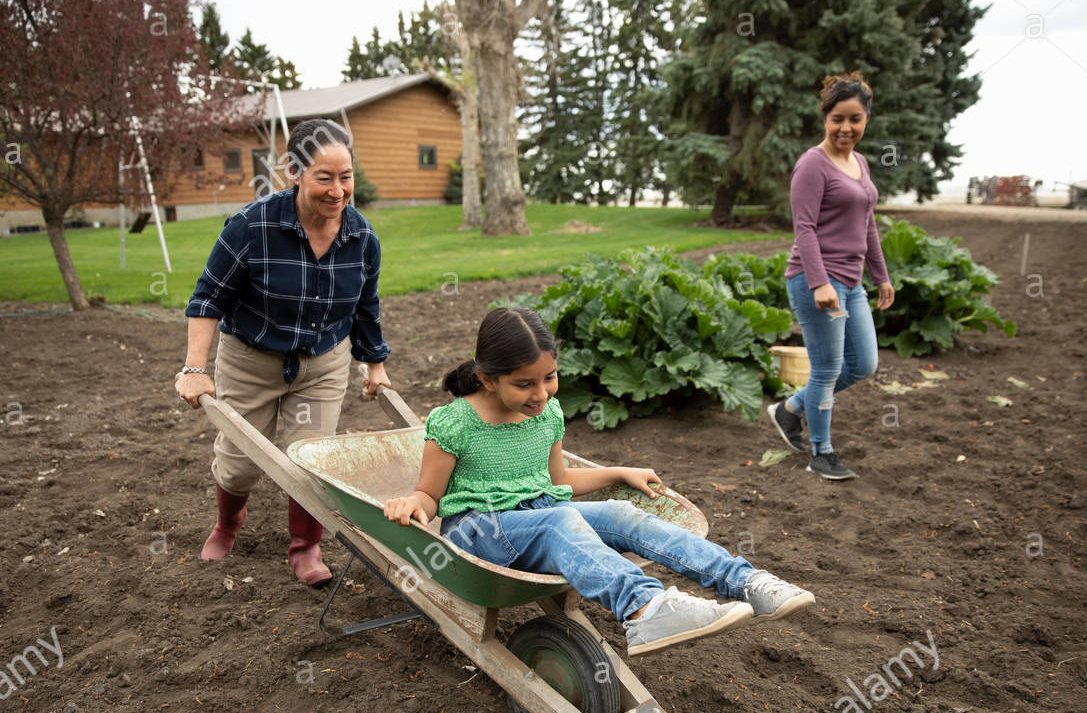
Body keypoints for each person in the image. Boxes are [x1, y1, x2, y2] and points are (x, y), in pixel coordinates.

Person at [383, 307, 815, 656]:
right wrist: (413, 504)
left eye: (549, 377)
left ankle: (744, 582)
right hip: (477, 529)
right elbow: (430, 494)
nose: (541, 393)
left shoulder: (548, 413)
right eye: (523, 384)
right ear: (486, 378)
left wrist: (618, 472)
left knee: (622, 514)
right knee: (559, 525)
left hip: (538, 511)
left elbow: (558, 479)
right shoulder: (456, 422)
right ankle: (645, 609)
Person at [175, 118, 392, 585]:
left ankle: (305, 547)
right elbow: (208, 298)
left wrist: (374, 364)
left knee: (310, 458)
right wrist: (194, 367)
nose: (338, 191)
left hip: (323, 362)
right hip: (251, 359)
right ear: (293, 171)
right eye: (325, 178)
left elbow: (365, 306)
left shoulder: (362, 239)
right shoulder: (252, 227)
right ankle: (228, 523)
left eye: (346, 177)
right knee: (237, 464)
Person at [767, 72, 896, 480]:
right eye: (837, 118)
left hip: (852, 283)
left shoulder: (859, 163)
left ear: (866, 120)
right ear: (825, 118)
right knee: (826, 369)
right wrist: (820, 282)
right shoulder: (812, 164)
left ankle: (790, 409)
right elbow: (803, 228)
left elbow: (868, 224)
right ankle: (821, 453)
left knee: (863, 364)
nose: (846, 128)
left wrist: (881, 276)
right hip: (815, 279)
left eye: (855, 119)